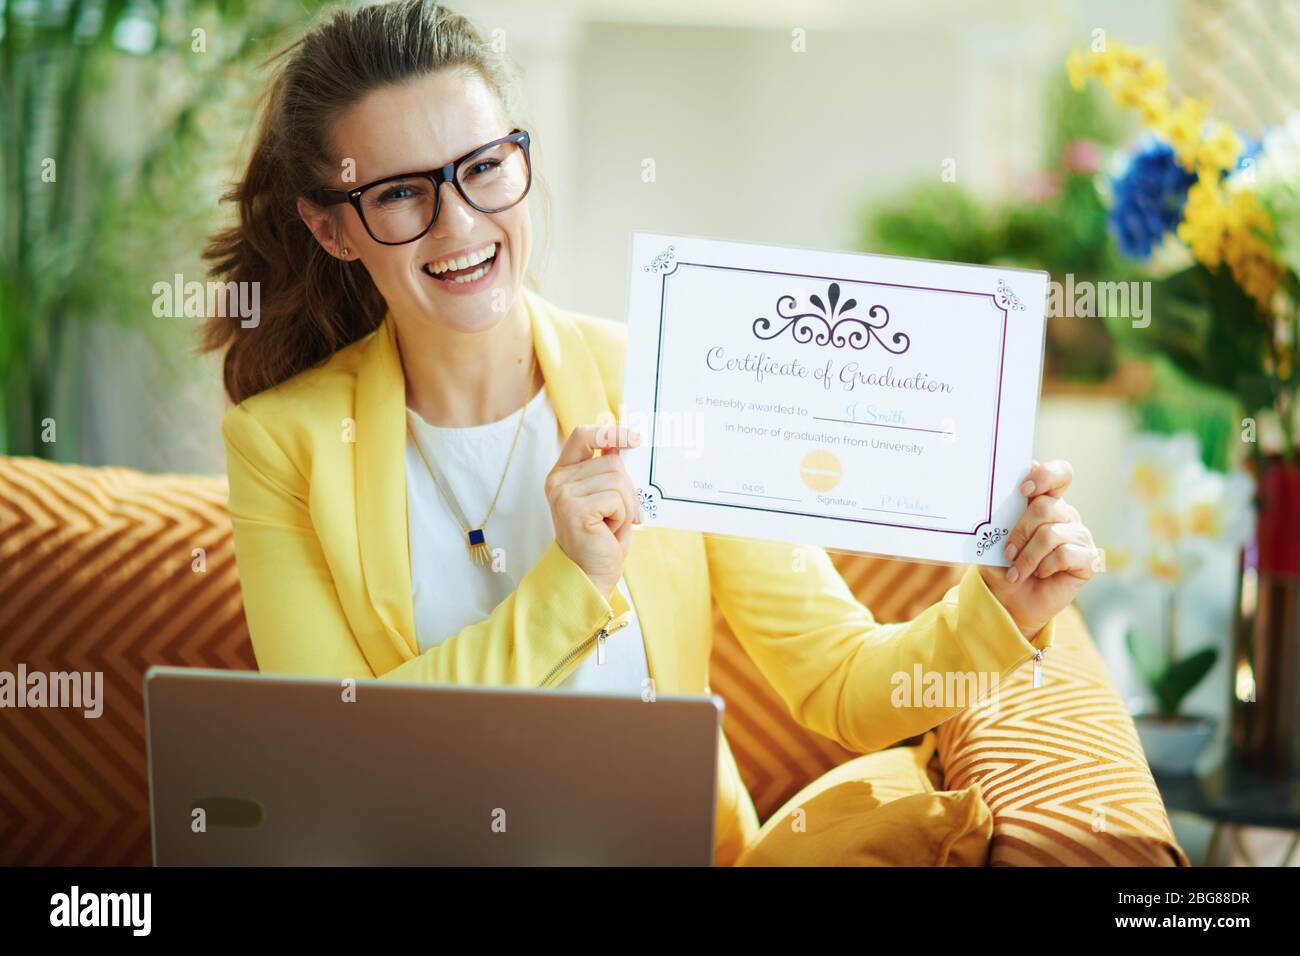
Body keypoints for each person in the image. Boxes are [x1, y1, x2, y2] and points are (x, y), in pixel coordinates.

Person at [201, 0, 1102, 866]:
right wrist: (572, 583)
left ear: (521, 156)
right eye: (400, 194)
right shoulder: (281, 443)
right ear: (330, 228)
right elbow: (340, 758)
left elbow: (836, 679)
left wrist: (1002, 614)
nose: (462, 223)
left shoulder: (671, 383)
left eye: (482, 167)